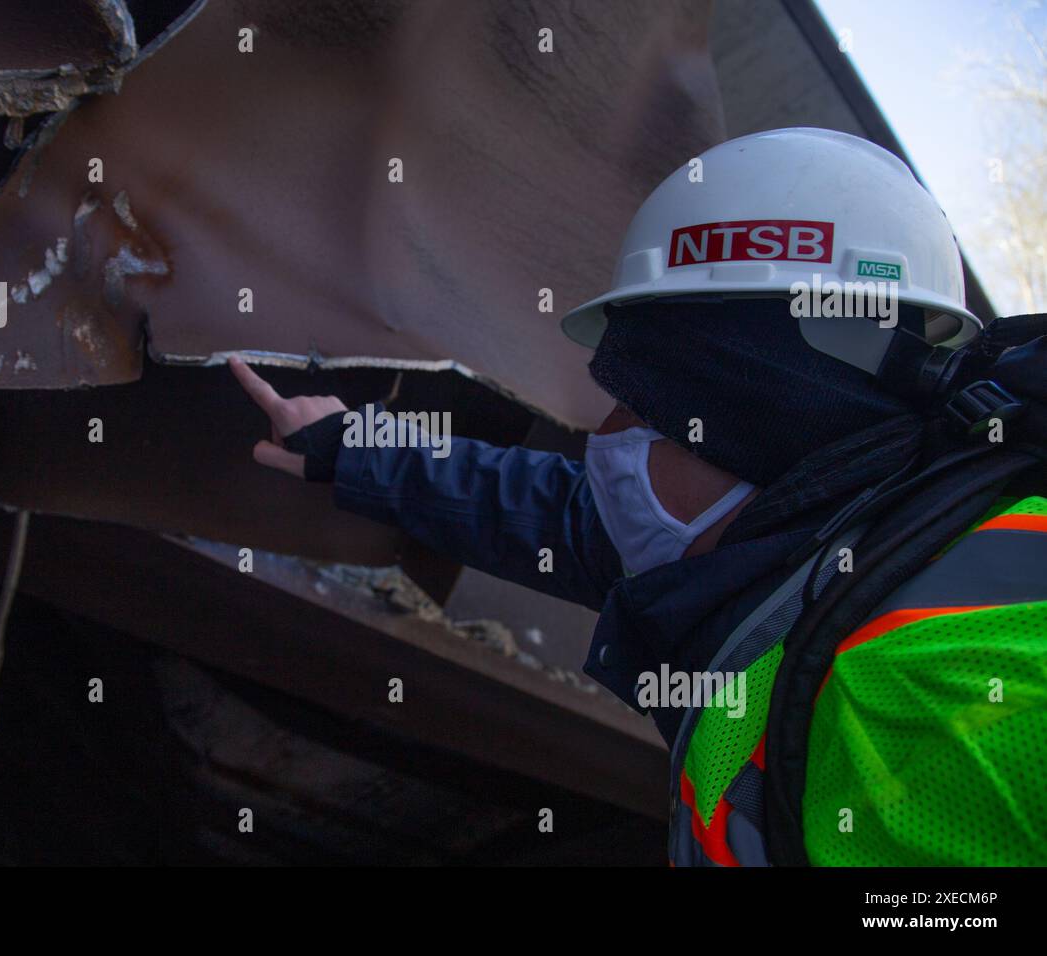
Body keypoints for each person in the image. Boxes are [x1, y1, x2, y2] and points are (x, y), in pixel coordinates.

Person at [232, 128, 1047, 866]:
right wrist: (356, 448)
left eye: (644, 407)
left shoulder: (931, 702)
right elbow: (561, 516)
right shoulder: (814, 538)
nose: (607, 439)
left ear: (758, 427)